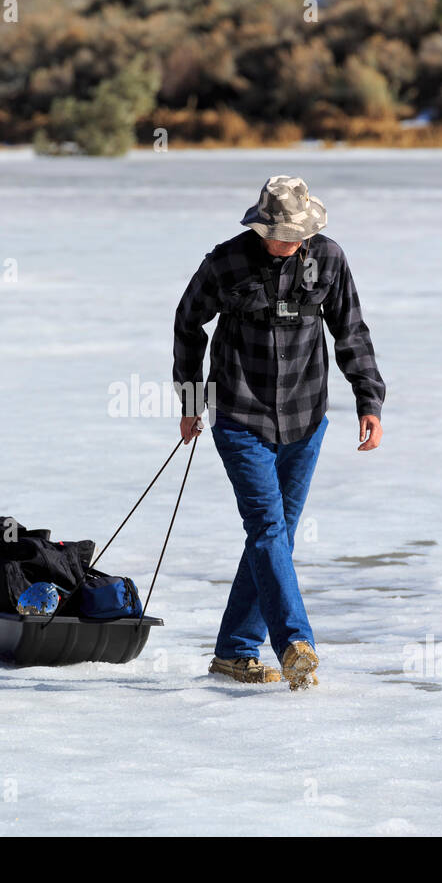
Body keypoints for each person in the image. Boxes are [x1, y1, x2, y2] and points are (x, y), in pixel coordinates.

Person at [173, 175, 385, 690]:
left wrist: (368, 398)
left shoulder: (329, 260)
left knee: (276, 538)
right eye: (273, 231)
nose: (281, 241)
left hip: (306, 418)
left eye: (290, 232)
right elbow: (187, 321)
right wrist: (191, 400)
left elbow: (350, 331)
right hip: (240, 417)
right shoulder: (225, 261)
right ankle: (295, 644)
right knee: (269, 530)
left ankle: (234, 652)